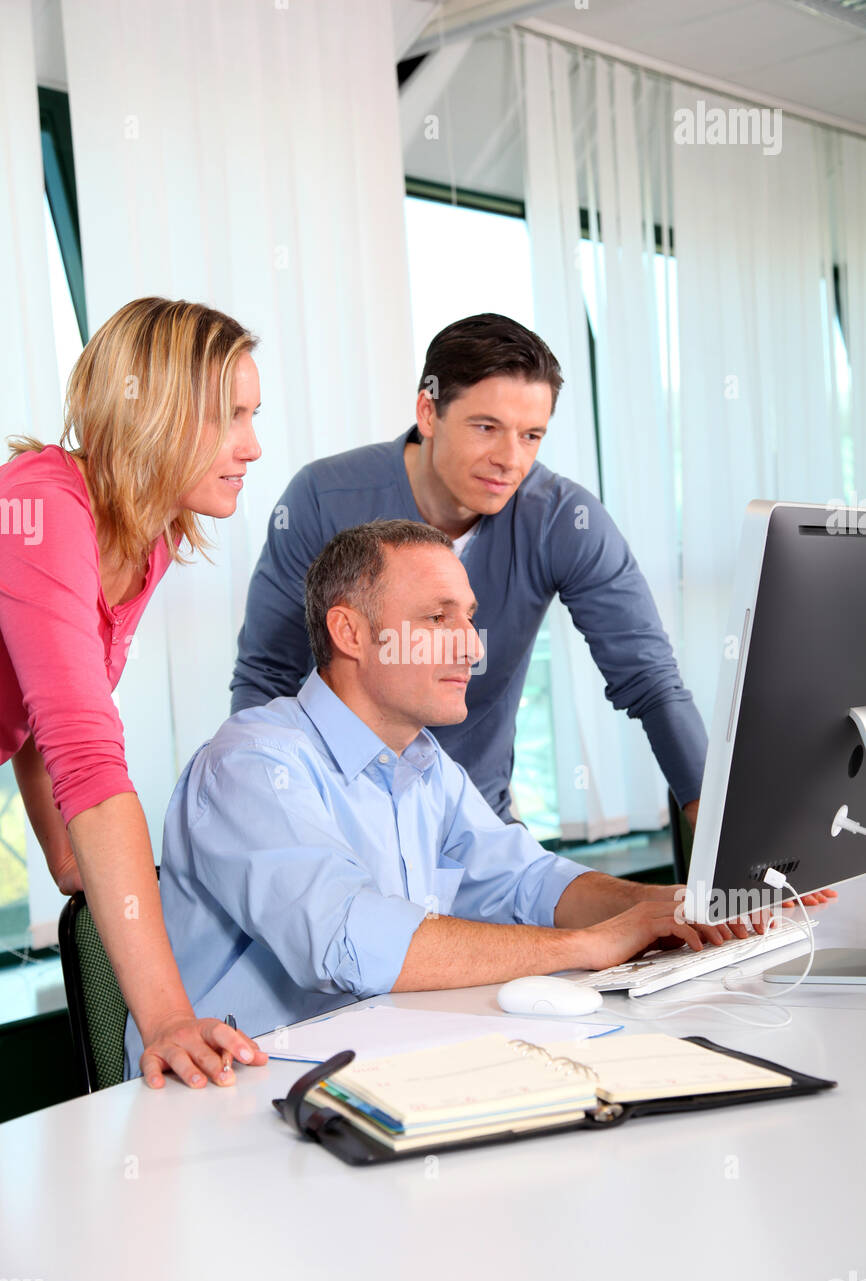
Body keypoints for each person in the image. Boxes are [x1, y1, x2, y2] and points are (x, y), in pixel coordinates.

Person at [125, 520, 751, 1076]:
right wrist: (588, 946)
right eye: (437, 619)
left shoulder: (424, 763)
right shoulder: (253, 763)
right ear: (350, 632)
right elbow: (344, 940)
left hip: (377, 1068)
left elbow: (527, 882)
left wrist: (663, 906)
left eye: (469, 618)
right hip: (236, 1095)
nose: (472, 647)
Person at [231, 313, 707, 827]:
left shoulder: (563, 520)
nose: (510, 460)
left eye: (531, 435)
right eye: (486, 428)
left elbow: (650, 681)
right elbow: (267, 675)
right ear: (428, 412)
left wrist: (720, 833)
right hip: (335, 816)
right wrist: (265, 819)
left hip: (477, 826)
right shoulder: (323, 498)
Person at [1, 297, 268, 1089]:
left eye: (253, 416)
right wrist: (169, 1020)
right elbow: (87, 750)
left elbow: (49, 711)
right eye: (228, 417)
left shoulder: (147, 537)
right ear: (152, 413)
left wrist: (67, 856)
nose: (252, 447)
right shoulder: (42, 507)